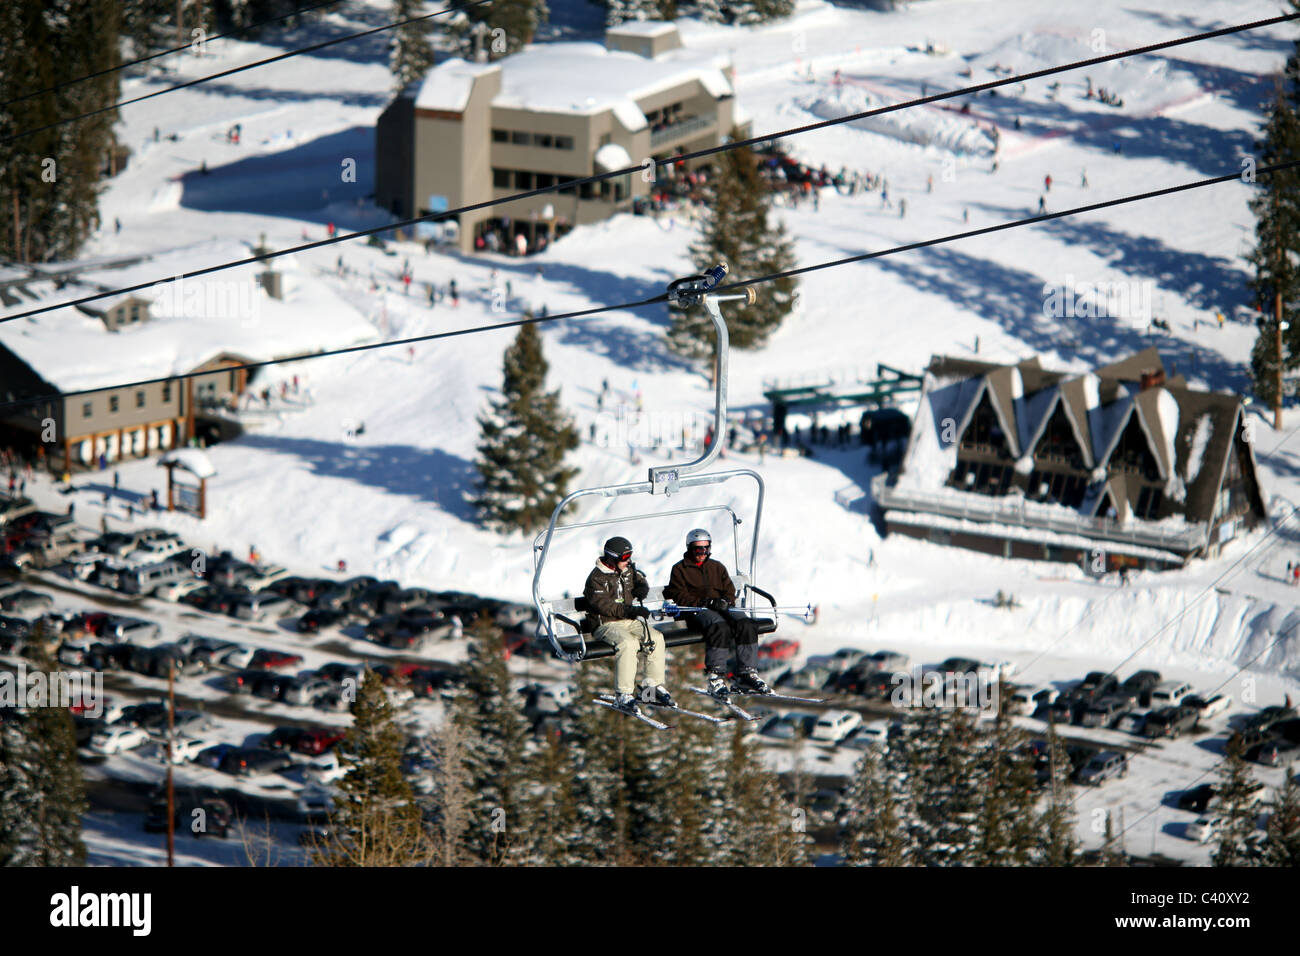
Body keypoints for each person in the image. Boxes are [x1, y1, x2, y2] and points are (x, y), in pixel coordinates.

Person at [663, 529, 768, 698]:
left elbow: (729, 589)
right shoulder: (680, 569)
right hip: (697, 611)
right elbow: (679, 595)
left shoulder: (716, 567)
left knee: (746, 624)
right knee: (720, 627)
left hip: (720, 608)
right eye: (698, 549)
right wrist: (704, 602)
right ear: (689, 548)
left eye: (706, 549)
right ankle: (716, 676)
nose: (702, 553)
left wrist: (726, 601)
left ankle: (747, 674)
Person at [583, 536, 670, 714]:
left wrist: (642, 587)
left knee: (656, 638)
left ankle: (651, 687)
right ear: (611, 558)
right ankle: (623, 694)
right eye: (624, 557)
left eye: (629, 556)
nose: (628, 560)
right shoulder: (596, 579)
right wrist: (631, 611)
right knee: (628, 644)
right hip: (606, 624)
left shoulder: (628, 570)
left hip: (629, 621)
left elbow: (640, 578)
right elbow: (604, 606)